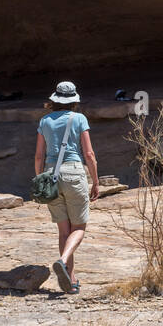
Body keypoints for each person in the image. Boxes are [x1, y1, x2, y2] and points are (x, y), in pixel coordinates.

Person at [34, 80, 100, 294]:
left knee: (64, 232)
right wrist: (96, 181)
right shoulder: (79, 118)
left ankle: (70, 281)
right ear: (73, 101)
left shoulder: (44, 121)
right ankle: (62, 262)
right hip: (73, 173)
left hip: (50, 174)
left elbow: (38, 155)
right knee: (79, 227)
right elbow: (89, 154)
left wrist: (41, 180)